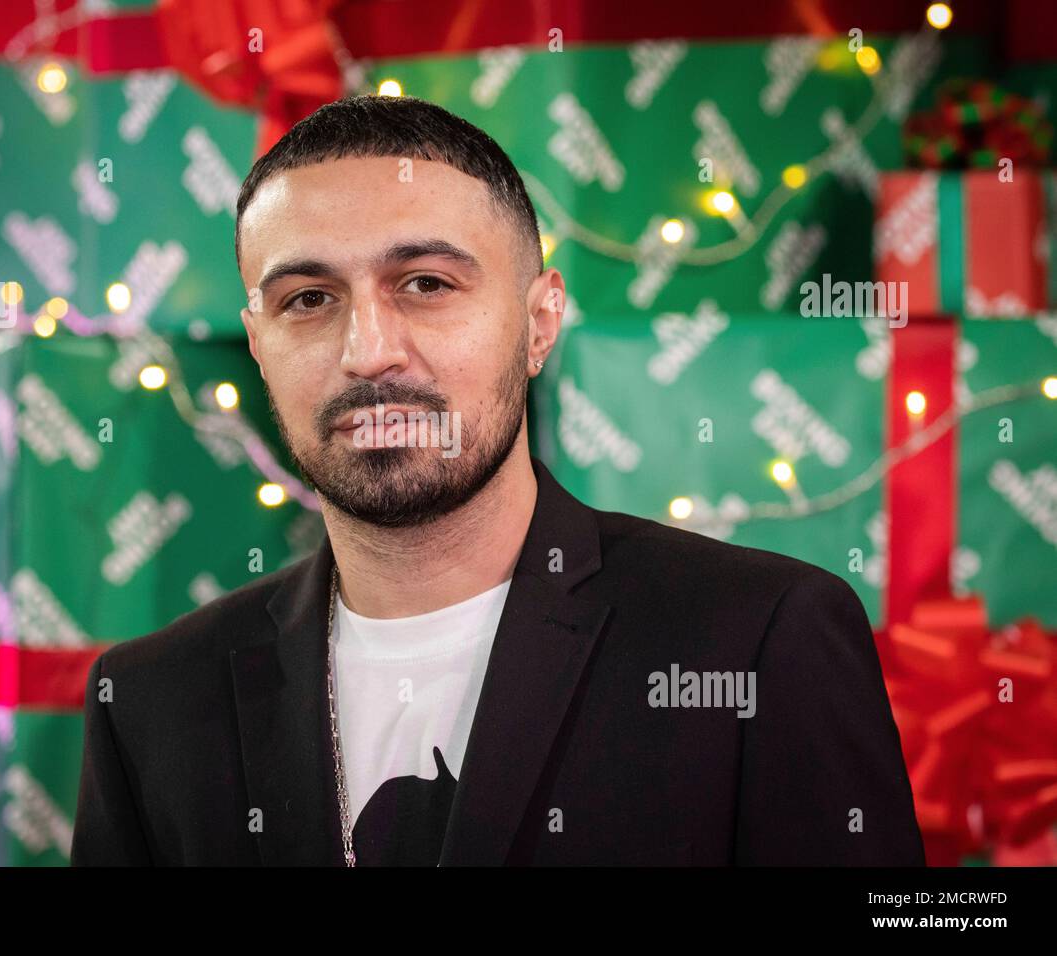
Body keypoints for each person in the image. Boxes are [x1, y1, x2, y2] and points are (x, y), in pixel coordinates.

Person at [71, 94, 924, 866]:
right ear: (259, 344)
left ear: (539, 322)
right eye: (308, 299)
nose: (368, 351)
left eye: (427, 284)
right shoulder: (149, 703)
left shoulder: (758, 642)